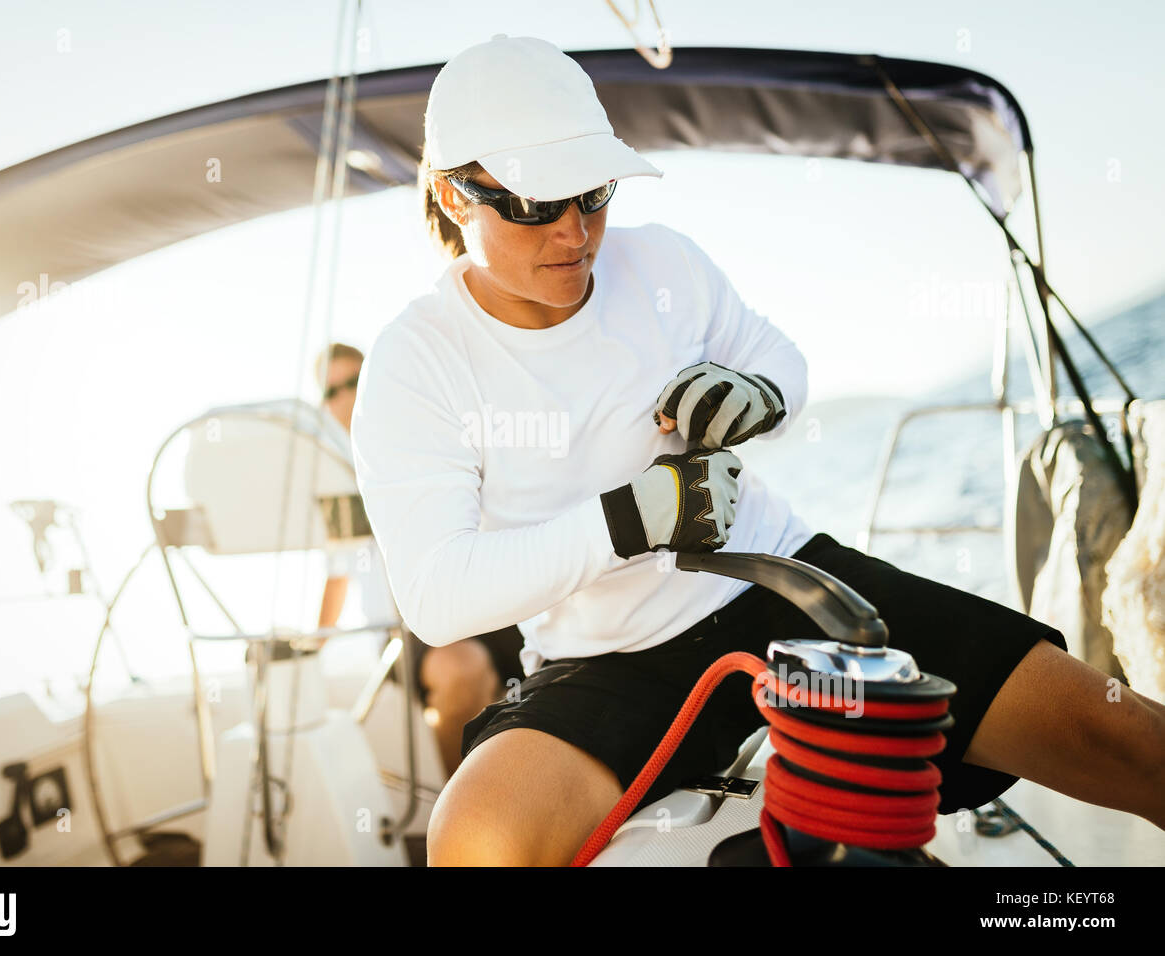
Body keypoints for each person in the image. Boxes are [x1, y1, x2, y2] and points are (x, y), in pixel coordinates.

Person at [349, 36, 1165, 866]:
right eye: (534, 205)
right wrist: (631, 522)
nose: (575, 231)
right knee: (472, 843)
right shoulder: (416, 362)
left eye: (593, 193)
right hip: (603, 660)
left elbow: (779, 358)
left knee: (1123, 735)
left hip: (786, 582)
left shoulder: (663, 261)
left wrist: (759, 396)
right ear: (456, 197)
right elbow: (437, 595)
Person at [315, 342, 526, 776]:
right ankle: (462, 820)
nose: (344, 397)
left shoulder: (436, 433)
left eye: (353, 382)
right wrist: (310, 645)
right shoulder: (333, 474)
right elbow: (338, 575)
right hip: (407, 629)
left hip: (492, 603)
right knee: (461, 671)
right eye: (329, 391)